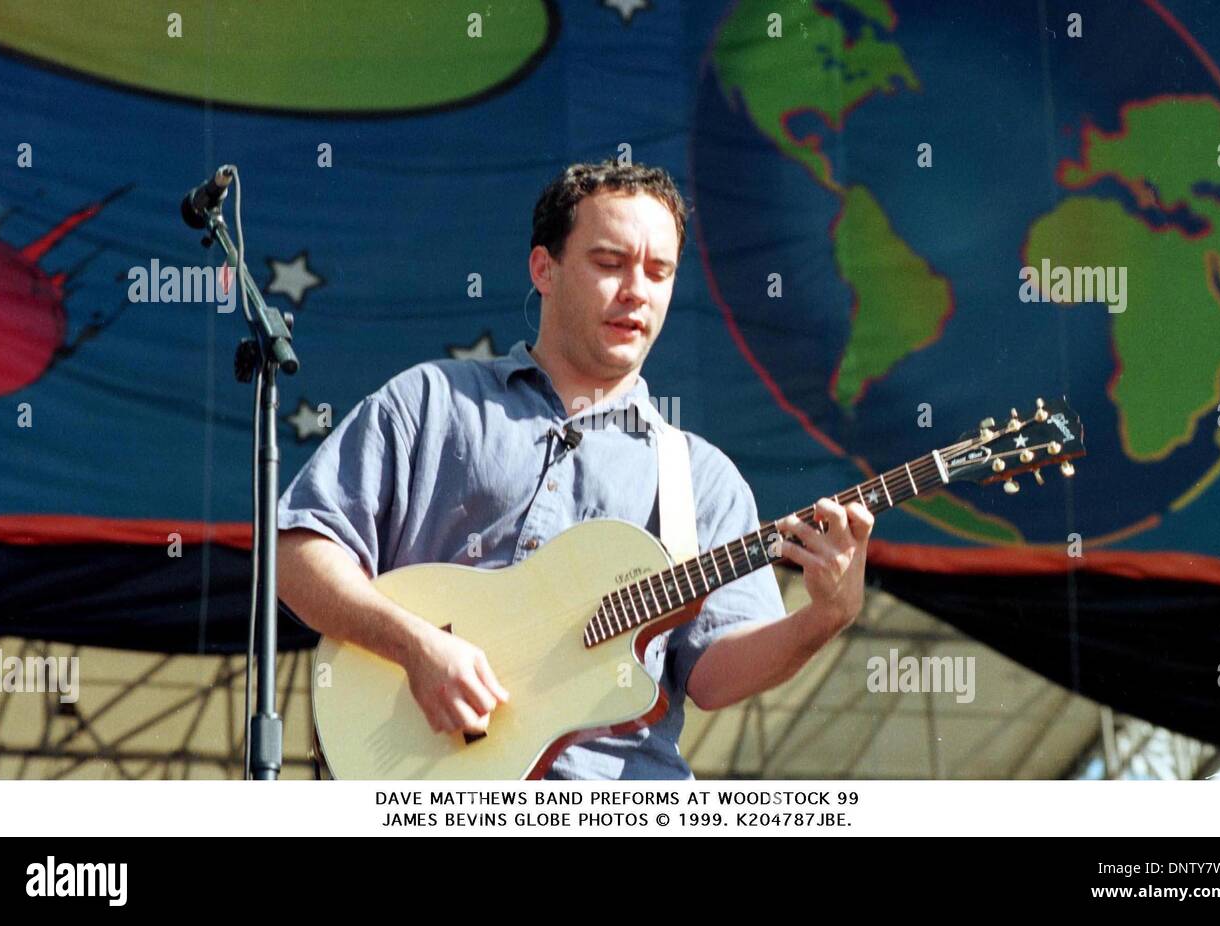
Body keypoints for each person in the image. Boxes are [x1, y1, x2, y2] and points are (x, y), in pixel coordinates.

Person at [276, 160, 873, 779]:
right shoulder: (432, 402)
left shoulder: (699, 476)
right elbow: (297, 553)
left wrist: (824, 616)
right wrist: (416, 645)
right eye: (611, 264)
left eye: (658, 271)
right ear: (545, 269)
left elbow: (715, 678)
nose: (636, 290)